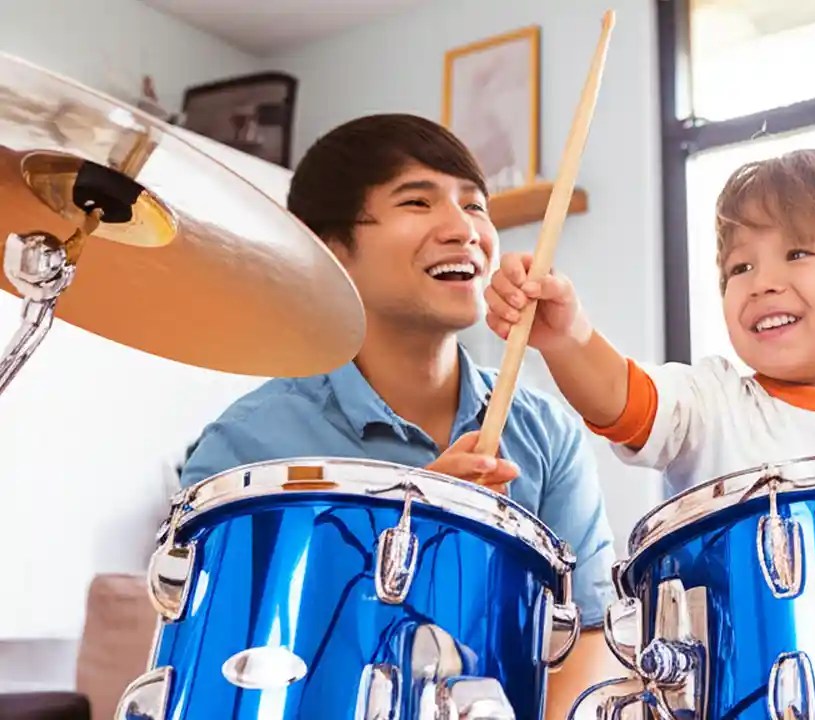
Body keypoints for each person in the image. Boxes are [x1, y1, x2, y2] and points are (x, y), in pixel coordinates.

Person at [178, 114, 622, 715]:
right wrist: (416, 518)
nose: (464, 229)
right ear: (331, 250)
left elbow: (585, 636)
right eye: (417, 201)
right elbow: (222, 664)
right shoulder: (247, 446)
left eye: (475, 205)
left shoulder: (546, 432)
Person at [483, 148, 815, 493]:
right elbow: (620, 399)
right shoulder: (712, 404)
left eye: (797, 252)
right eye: (739, 267)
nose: (761, 282)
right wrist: (567, 337)